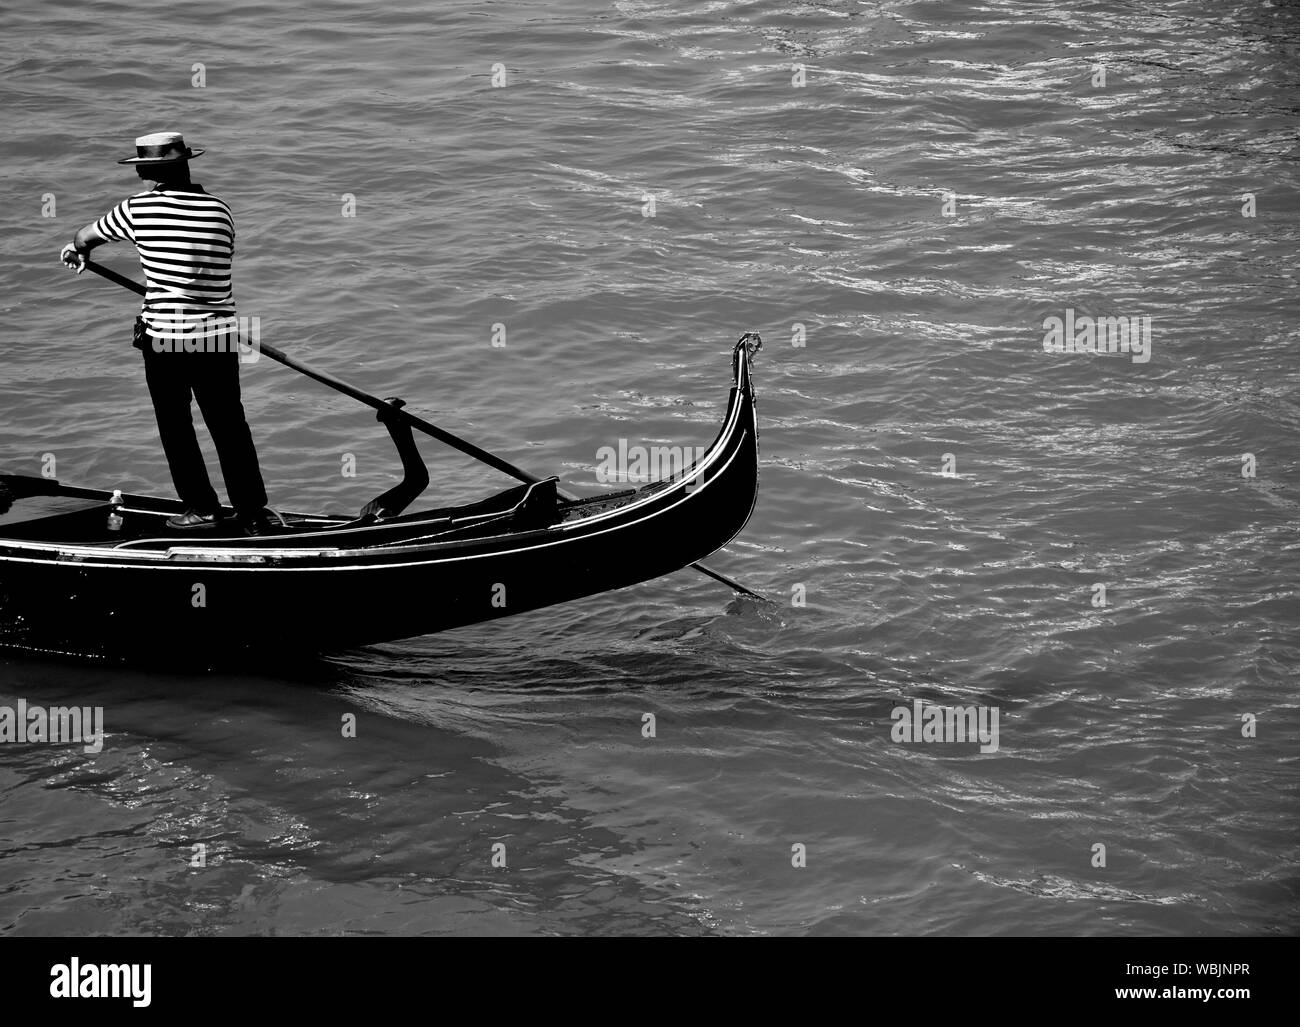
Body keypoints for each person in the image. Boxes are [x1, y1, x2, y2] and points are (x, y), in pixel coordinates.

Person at [60, 131, 272, 535]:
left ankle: (201, 508)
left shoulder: (135, 210)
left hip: (166, 336)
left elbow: (83, 237)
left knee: (175, 425)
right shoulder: (220, 210)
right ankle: (252, 512)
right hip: (221, 333)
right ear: (187, 162)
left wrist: (79, 252)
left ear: (143, 169)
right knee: (230, 426)